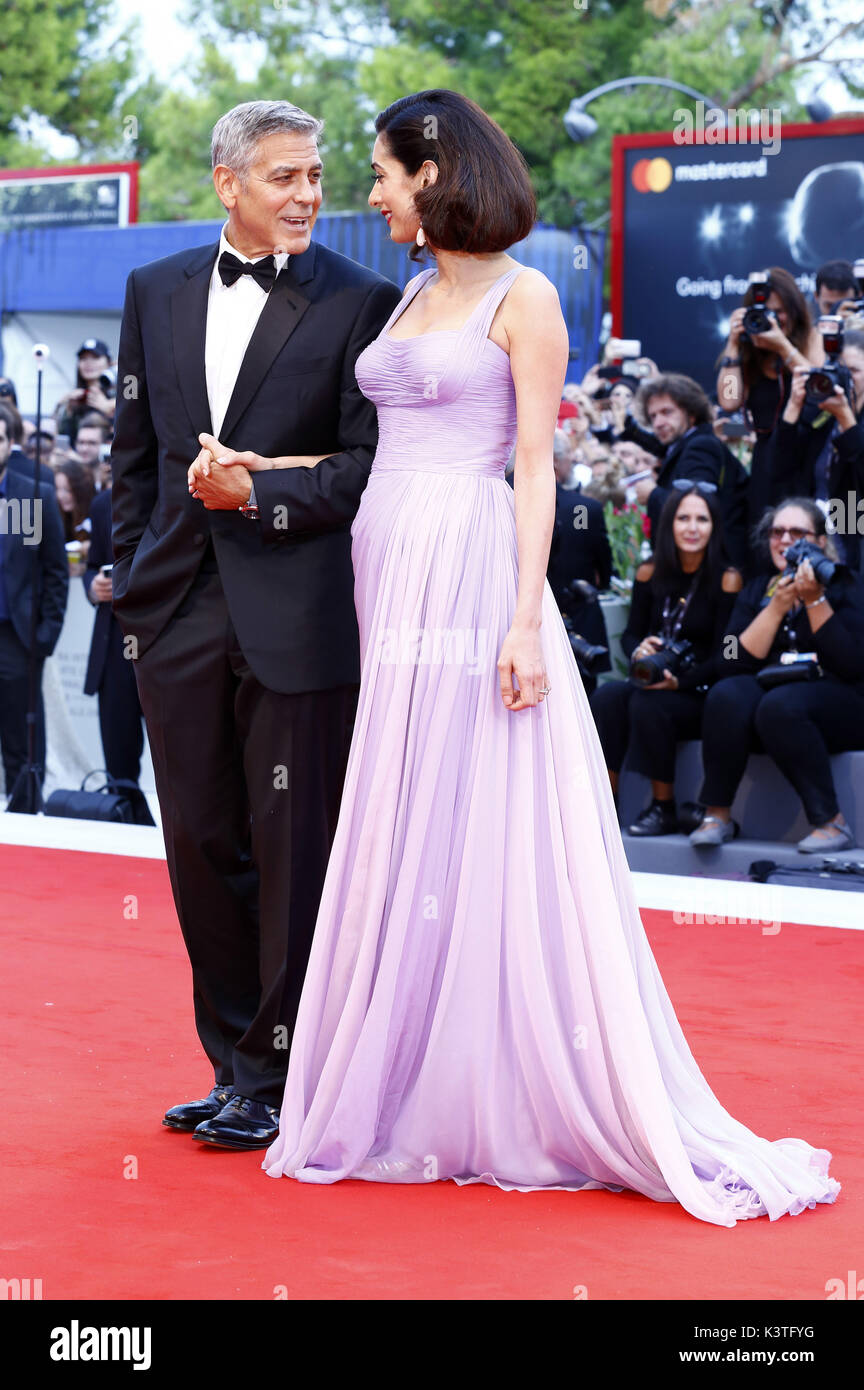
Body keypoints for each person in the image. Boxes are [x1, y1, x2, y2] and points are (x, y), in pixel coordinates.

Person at [244, 89, 838, 1225]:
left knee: (476, 801)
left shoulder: (525, 298)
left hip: (469, 568)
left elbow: (533, 465)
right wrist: (264, 467)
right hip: (387, 562)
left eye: (381, 171)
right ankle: (400, 1070)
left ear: (433, 170)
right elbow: (385, 437)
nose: (369, 193)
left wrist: (526, 617)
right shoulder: (417, 292)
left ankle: (492, 1084)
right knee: (406, 797)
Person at [111, 100, 402, 1150]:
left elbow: (373, 469)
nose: (309, 195)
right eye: (285, 176)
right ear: (228, 183)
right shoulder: (156, 289)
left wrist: (261, 499)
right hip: (178, 608)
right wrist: (131, 572)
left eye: (317, 175)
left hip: (300, 611)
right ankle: (233, 1061)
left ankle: (282, 1076)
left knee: (293, 847)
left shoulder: (365, 301)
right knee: (196, 839)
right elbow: (132, 456)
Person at [689, 498, 864, 851]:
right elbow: (728, 659)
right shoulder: (757, 589)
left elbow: (852, 665)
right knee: (726, 694)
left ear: (818, 541)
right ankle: (717, 814)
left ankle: (831, 822)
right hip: (774, 706)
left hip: (840, 702)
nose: (784, 540)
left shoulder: (846, 584)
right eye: (777, 532)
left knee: (780, 705)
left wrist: (814, 601)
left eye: (797, 532)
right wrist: (776, 609)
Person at [589, 483, 742, 834]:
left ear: (714, 526)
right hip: (654, 678)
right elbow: (630, 634)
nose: (692, 528)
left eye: (702, 519)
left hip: (698, 689)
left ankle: (663, 807)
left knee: (648, 705)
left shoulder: (727, 579)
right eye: (683, 518)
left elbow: (725, 654)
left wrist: (681, 682)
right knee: (608, 697)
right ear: (669, 524)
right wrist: (639, 650)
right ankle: (604, 804)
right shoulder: (649, 572)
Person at [717, 267, 823, 531]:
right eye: (765, 312)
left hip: (809, 455)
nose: (773, 320)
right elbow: (729, 401)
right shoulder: (749, 353)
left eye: (779, 311)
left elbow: (820, 387)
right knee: (767, 536)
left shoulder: (812, 339)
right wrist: (734, 344)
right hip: (769, 460)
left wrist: (782, 346)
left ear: (795, 310)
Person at [0, 409, 68, 799]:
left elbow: (54, 570)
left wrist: (44, 636)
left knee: (21, 741)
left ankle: (26, 815)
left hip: (15, 637)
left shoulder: (29, 494)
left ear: (9, 443)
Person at [615, 374, 749, 571]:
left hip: (711, 570)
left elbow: (694, 505)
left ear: (691, 413)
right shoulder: (691, 442)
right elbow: (663, 449)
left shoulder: (700, 446)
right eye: (653, 416)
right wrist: (628, 427)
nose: (658, 422)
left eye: (666, 412)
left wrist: (652, 494)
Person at [83, 486, 155, 824]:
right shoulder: (102, 504)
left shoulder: (182, 493)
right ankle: (126, 819)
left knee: (187, 757)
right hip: (114, 641)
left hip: (171, 638)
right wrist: (93, 585)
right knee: (118, 755)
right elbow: (94, 564)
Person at [770, 330, 864, 568]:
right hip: (813, 534)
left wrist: (846, 417)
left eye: (853, 371)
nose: (845, 379)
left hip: (852, 534)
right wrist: (793, 406)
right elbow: (780, 468)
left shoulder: (841, 415)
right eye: (837, 371)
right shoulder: (820, 414)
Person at [55, 338, 116, 447]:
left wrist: (108, 408)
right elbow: (61, 438)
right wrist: (64, 408)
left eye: (95, 357)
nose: (88, 363)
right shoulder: (75, 398)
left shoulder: (122, 394)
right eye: (83, 359)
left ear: (109, 363)